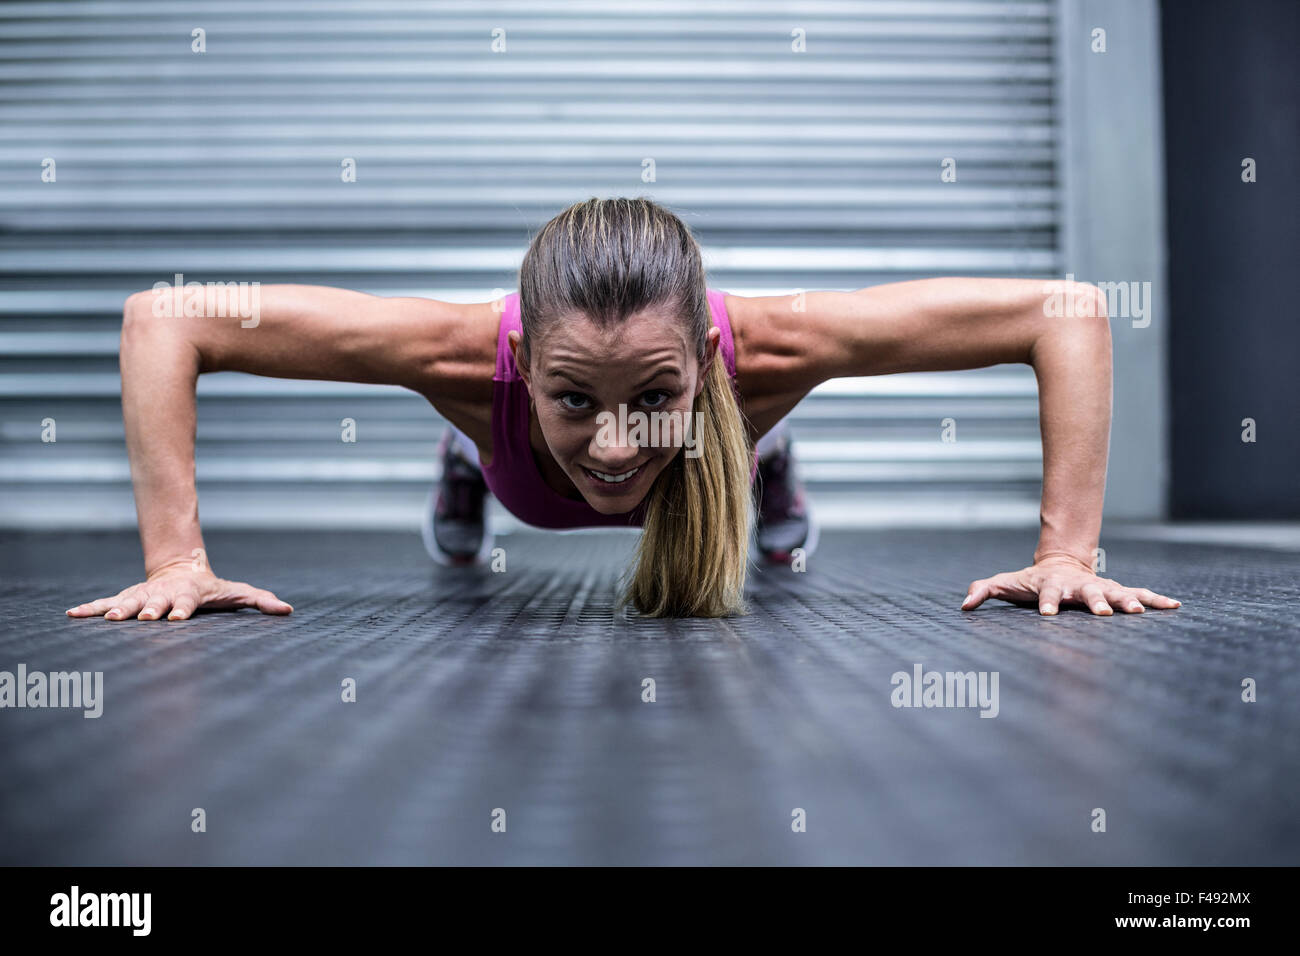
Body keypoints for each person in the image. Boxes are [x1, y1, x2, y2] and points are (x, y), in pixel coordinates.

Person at [67, 196, 1181, 620]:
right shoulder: (459, 356)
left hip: (730, 423)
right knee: (536, 451)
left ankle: (763, 456)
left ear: (703, 354)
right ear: (521, 360)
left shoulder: (774, 343)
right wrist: (176, 561)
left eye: (650, 394)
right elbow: (166, 319)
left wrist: (1066, 549)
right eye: (570, 397)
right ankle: (468, 464)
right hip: (505, 460)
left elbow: (1067, 311)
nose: (612, 444)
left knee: (730, 439)